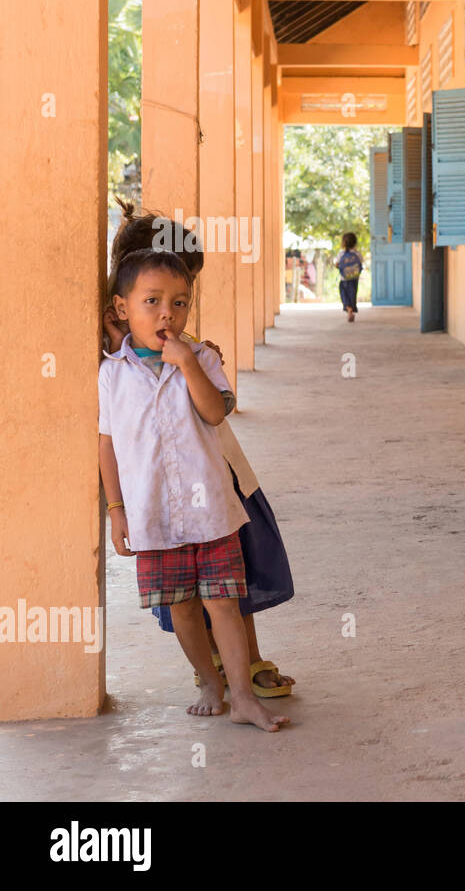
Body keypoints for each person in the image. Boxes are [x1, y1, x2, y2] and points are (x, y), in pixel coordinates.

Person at [103, 203, 296, 698]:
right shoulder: (116, 357)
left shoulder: (190, 348)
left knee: (236, 573)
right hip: (158, 486)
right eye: (155, 297)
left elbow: (214, 407)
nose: (170, 311)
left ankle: (245, 662)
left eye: (182, 294)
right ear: (124, 298)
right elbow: (110, 429)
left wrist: (194, 358)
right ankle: (212, 668)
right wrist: (116, 505)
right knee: (185, 589)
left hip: (214, 471)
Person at [336, 232, 364, 322]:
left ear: (343, 243)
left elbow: (337, 264)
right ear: (355, 242)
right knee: (352, 295)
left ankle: (348, 309)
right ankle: (351, 309)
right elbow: (360, 262)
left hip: (344, 279)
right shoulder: (357, 253)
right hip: (354, 279)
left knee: (344, 295)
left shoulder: (341, 253)